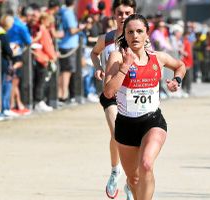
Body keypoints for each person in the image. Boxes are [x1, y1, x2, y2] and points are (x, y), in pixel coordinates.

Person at [103, 13, 186, 200]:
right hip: (125, 124)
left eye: (140, 31)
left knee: (147, 164)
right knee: (133, 179)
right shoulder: (117, 57)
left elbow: (180, 65)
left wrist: (177, 80)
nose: (135, 36)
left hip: (152, 121)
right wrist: (125, 66)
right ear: (124, 34)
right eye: (130, 32)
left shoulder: (158, 58)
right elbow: (108, 92)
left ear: (147, 34)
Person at [90, 0, 136, 199]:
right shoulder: (107, 38)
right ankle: (115, 171)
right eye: (120, 13)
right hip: (110, 95)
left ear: (133, 13)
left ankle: (131, 181)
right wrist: (98, 67)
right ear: (114, 14)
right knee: (117, 133)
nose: (123, 17)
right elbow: (94, 53)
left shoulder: (140, 38)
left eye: (127, 13)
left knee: (133, 140)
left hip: (133, 95)